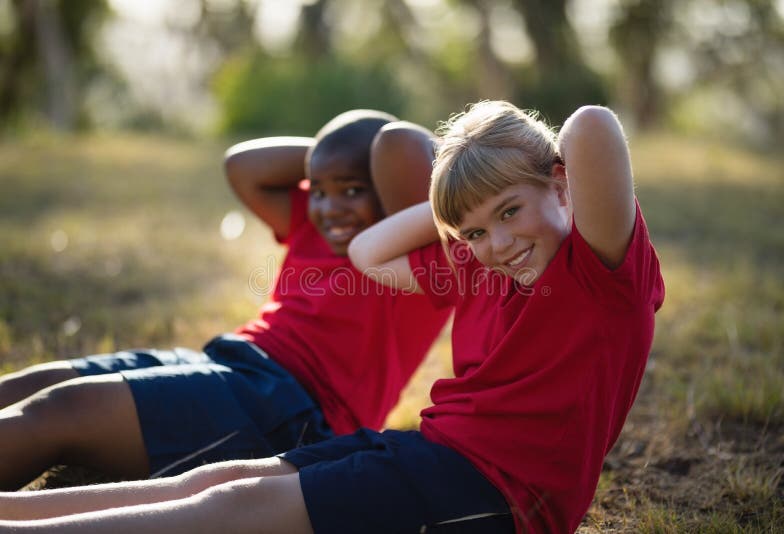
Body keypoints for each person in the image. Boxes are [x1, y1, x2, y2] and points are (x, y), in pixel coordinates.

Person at [0, 101, 664, 533]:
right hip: (435, 449)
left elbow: (593, 127)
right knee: (217, 480)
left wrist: (491, 174)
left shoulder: (600, 274)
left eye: (510, 212)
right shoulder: (478, 265)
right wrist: (457, 213)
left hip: (500, 495)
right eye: (474, 230)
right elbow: (374, 252)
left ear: (560, 183)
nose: (499, 242)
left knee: (231, 510)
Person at [0, 109, 450, 491]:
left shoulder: (412, 256)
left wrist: (355, 151)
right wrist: (330, 156)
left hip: (291, 409)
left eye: (351, 189)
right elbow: (242, 165)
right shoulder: (315, 224)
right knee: (41, 383)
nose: (331, 208)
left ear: (387, 188)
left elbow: (401, 145)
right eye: (318, 190)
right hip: (228, 360)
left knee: (61, 411)